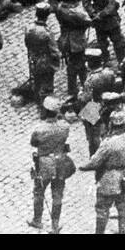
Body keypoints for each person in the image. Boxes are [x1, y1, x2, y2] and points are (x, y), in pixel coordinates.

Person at [79, 110, 125, 234]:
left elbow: (95, 162)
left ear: (111, 125)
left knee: (102, 209)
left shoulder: (107, 143)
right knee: (123, 208)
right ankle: (122, 231)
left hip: (109, 178)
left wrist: (82, 167)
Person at [28, 97, 73, 233]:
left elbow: (34, 143)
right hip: (60, 161)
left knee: (39, 191)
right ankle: (55, 224)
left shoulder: (39, 129)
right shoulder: (65, 126)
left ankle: (37, 220)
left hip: (44, 163)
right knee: (57, 194)